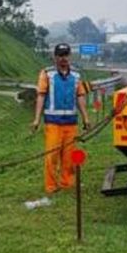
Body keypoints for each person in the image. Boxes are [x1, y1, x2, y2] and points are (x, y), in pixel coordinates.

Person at [31, 43, 90, 194]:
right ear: (55, 57)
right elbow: (41, 96)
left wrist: (86, 118)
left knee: (69, 156)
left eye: (66, 55)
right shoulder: (47, 73)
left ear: (70, 56)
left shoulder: (76, 75)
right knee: (52, 156)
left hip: (71, 123)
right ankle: (51, 186)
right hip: (53, 123)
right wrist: (37, 119)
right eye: (60, 55)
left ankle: (67, 182)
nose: (63, 58)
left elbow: (81, 96)